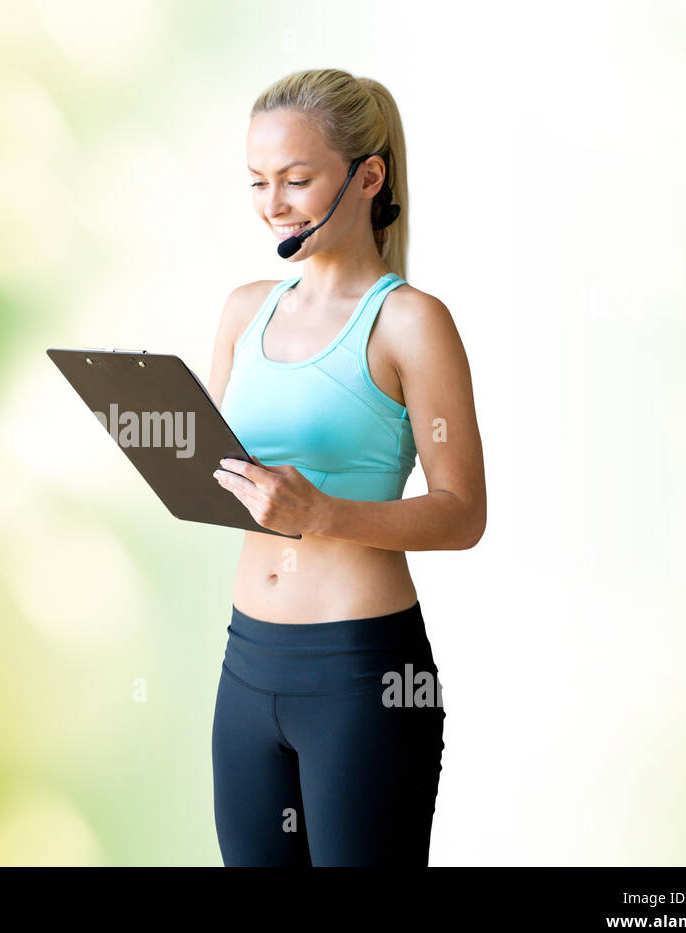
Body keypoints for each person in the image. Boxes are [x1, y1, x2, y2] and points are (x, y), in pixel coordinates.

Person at [206, 69, 486, 866]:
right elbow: (218, 471)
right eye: (258, 181)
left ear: (368, 177)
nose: (274, 204)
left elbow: (463, 511)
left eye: (297, 180)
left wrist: (323, 514)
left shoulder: (410, 322)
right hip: (245, 666)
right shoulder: (244, 309)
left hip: (363, 678)